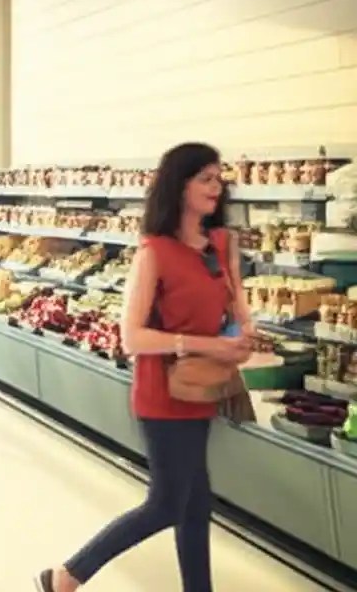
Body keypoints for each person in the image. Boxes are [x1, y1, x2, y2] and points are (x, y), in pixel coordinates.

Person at [35, 142, 255, 592]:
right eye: (205, 178)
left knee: (195, 504)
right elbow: (132, 337)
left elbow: (236, 310)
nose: (217, 187)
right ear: (180, 185)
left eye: (220, 178)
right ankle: (66, 576)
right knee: (168, 504)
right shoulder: (153, 252)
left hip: (202, 389)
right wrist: (206, 344)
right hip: (162, 394)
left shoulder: (221, 244)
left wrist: (243, 333)